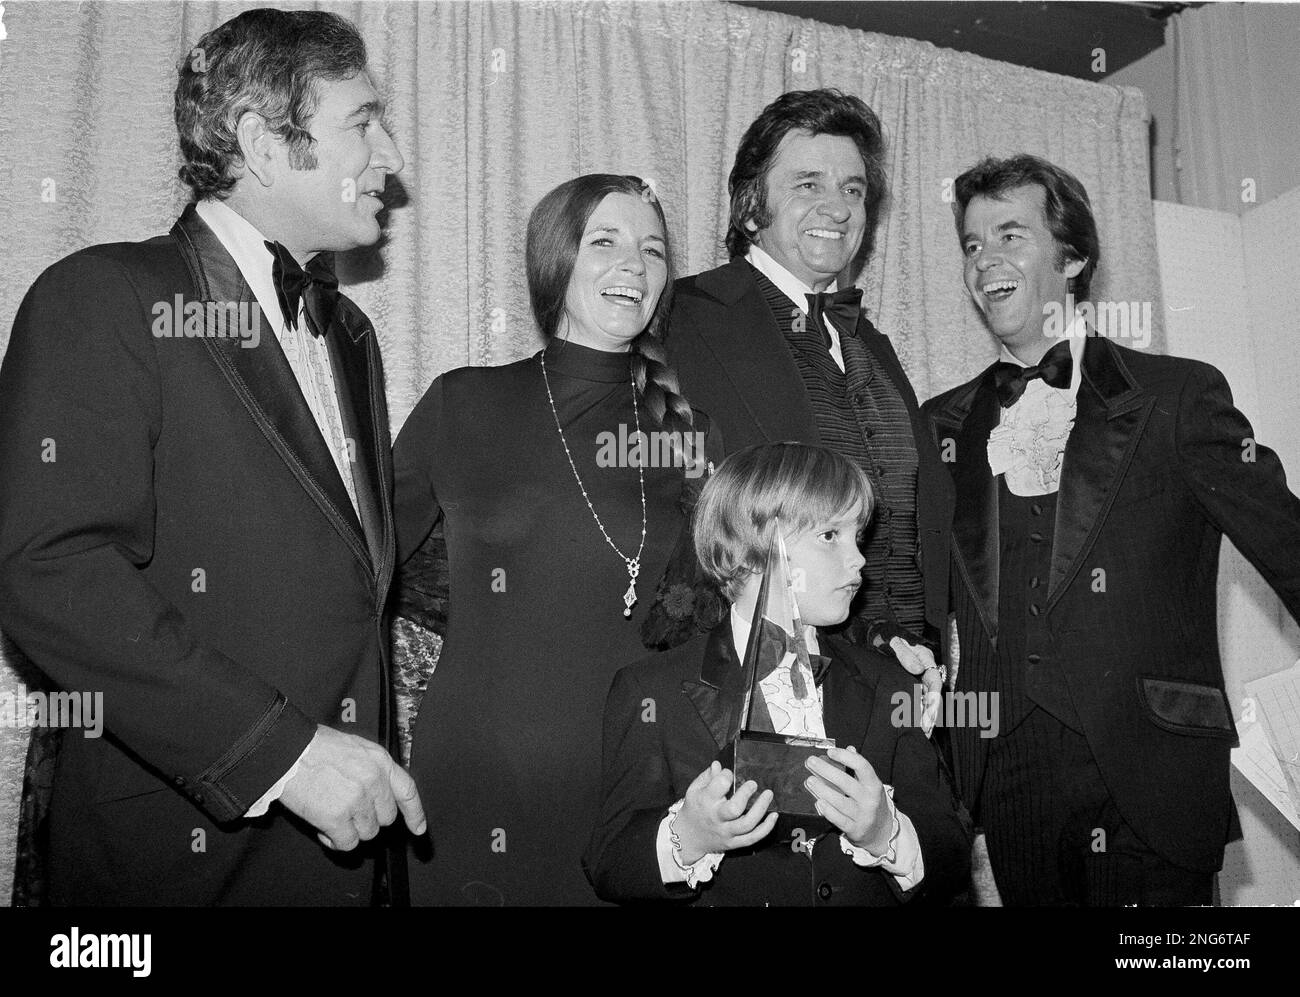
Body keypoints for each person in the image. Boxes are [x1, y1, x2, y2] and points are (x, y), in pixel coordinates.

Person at [0, 8, 423, 905]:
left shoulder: (352, 334)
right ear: (263, 143)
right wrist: (284, 756)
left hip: (347, 862)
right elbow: (49, 568)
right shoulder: (100, 295)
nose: (389, 154)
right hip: (174, 857)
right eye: (363, 123)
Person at [923, 153, 1300, 905]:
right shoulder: (941, 424)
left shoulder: (1177, 396)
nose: (985, 260)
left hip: (1153, 772)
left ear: (1074, 256)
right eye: (971, 244)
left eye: (1009, 234)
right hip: (1010, 778)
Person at [393, 173, 716, 905]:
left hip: (636, 789)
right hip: (478, 776)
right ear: (554, 258)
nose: (634, 266)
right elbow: (355, 568)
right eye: (605, 241)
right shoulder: (463, 402)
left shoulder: (693, 434)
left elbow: (725, 621)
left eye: (653, 250)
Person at [584, 442, 971, 905]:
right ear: (750, 547)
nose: (859, 559)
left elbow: (950, 853)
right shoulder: (652, 691)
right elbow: (610, 862)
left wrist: (886, 833)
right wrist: (689, 836)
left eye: (858, 536)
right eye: (831, 536)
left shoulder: (889, 684)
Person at [665, 88, 953, 659]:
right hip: (763, 687)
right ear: (750, 207)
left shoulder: (873, 343)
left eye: (853, 190)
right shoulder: (679, 319)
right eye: (808, 185)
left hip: (910, 682)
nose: (839, 208)